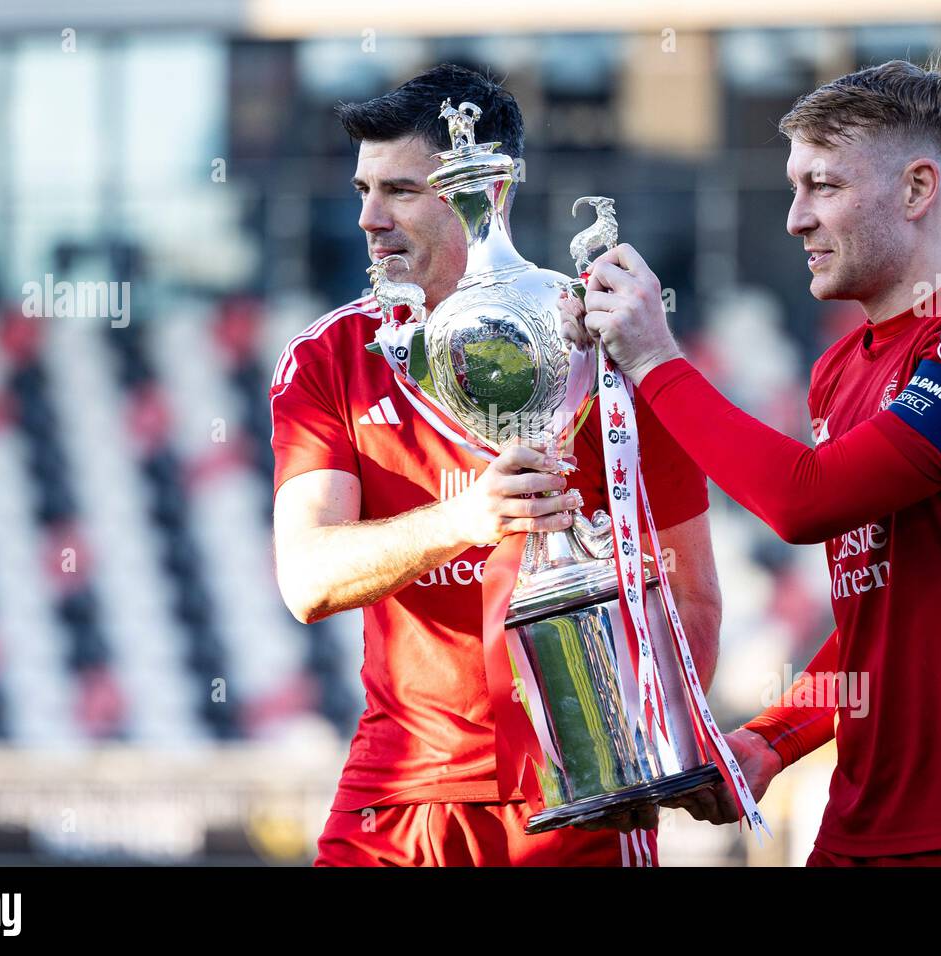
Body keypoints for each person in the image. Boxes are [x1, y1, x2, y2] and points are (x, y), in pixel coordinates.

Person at [563, 60, 941, 866]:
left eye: (823, 187)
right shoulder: (837, 370)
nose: (796, 219)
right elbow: (877, 619)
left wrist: (657, 358)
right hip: (862, 828)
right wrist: (772, 741)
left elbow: (806, 503)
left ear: (917, 188)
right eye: (795, 188)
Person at [270, 63, 720, 867]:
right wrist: (465, 518)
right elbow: (306, 578)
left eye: (400, 191)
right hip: (401, 792)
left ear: (484, 193)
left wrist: (642, 755)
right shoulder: (331, 357)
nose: (369, 218)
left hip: (578, 792)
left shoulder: (600, 344)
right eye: (362, 190)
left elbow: (690, 594)